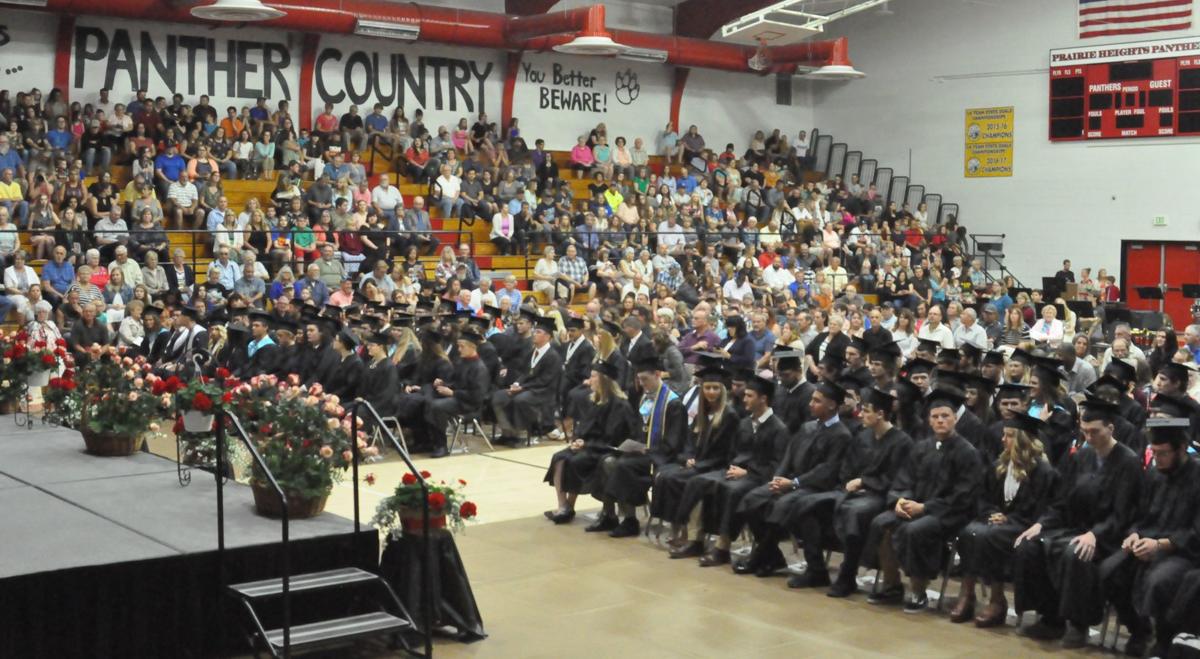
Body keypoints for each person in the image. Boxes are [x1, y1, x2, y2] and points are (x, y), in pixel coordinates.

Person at [1012, 396, 1143, 646]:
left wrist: (1095, 534)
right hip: (1074, 529)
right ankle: (1050, 617)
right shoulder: (1081, 457)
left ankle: (1078, 624)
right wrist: (1042, 524)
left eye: (1095, 432)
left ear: (1111, 429)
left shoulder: (1128, 462)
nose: (1089, 438)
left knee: (1076, 553)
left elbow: (1123, 513)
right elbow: (1062, 502)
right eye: (1084, 432)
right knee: (1031, 544)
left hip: (1110, 537)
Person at [862, 388, 982, 613]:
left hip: (949, 514)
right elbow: (903, 479)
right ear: (929, 420)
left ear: (955, 418)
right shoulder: (921, 447)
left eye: (945, 416)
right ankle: (892, 584)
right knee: (881, 522)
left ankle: (918, 591)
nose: (940, 420)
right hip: (915, 507)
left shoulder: (968, 453)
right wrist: (899, 501)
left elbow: (962, 496)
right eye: (935, 416)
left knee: (915, 530)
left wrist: (925, 507)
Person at [1099, 417, 1200, 657]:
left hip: (1184, 553)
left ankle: (1164, 640)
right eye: (1153, 452)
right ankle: (1139, 629)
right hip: (1148, 542)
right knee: (1109, 571)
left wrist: (1162, 545)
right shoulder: (1154, 474)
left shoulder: (1197, 478)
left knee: (1159, 581)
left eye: (1163, 453)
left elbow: (1196, 530)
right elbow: (1140, 515)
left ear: (1181, 449)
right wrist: (1133, 534)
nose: (1157, 458)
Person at [734, 381, 853, 582]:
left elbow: (826, 471)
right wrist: (777, 479)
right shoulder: (808, 427)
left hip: (818, 488)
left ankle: (763, 556)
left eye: (817, 401)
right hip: (792, 484)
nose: (810, 404)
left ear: (832, 405)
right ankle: (773, 555)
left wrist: (794, 482)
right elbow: (788, 457)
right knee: (753, 499)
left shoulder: (841, 434)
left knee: (788, 505)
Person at [950, 414, 1057, 626]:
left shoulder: (1042, 471)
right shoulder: (999, 465)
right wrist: (991, 513)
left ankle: (997, 600)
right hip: (998, 521)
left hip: (1025, 525)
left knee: (988, 537)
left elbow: (1040, 508)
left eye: (1009, 436)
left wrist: (1008, 517)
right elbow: (983, 497)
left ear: (1022, 441)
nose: (1003, 440)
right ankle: (967, 593)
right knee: (968, 532)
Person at [674, 375, 789, 566]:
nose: (744, 399)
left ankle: (722, 548)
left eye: (749, 396)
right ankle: (696, 539)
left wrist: (746, 473)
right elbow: (733, 453)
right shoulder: (745, 423)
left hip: (759, 477)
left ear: (763, 399)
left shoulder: (778, 428)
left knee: (732, 491)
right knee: (699, 482)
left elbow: (777, 465)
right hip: (735, 471)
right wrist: (733, 467)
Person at [595, 356, 687, 537]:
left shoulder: (673, 403)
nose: (641, 383)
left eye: (645, 379)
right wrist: (632, 445)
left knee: (622, 466)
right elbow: (638, 429)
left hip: (662, 456)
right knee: (606, 460)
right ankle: (611, 515)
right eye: (639, 379)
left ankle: (630, 521)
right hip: (641, 453)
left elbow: (674, 442)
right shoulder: (644, 398)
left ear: (658, 374)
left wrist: (648, 450)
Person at [544, 361, 637, 523]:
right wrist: (578, 440)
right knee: (559, 457)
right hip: (591, 445)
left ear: (604, 380)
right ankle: (564, 506)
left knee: (574, 460)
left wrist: (585, 444)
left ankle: (569, 507)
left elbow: (612, 437)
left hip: (606, 449)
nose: (589, 380)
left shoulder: (619, 405)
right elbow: (585, 427)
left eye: (593, 376)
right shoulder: (596, 401)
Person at [492, 316, 562, 444]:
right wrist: (516, 383)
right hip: (527, 388)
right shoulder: (532, 352)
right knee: (499, 396)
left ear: (547, 337)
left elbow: (544, 380)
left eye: (538, 332)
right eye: (535, 331)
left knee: (519, 399)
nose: (534, 334)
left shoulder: (553, 356)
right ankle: (507, 432)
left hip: (543, 392)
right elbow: (524, 372)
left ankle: (518, 432)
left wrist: (522, 388)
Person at [424, 329, 491, 458]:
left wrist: (453, 393)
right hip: (458, 398)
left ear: (472, 347)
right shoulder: (462, 362)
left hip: (469, 404)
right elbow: (455, 382)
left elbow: (476, 396)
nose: (459, 349)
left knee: (437, 406)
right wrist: (443, 383)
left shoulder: (479, 368)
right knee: (427, 399)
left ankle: (442, 445)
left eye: (462, 346)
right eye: (458, 346)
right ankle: (428, 441)